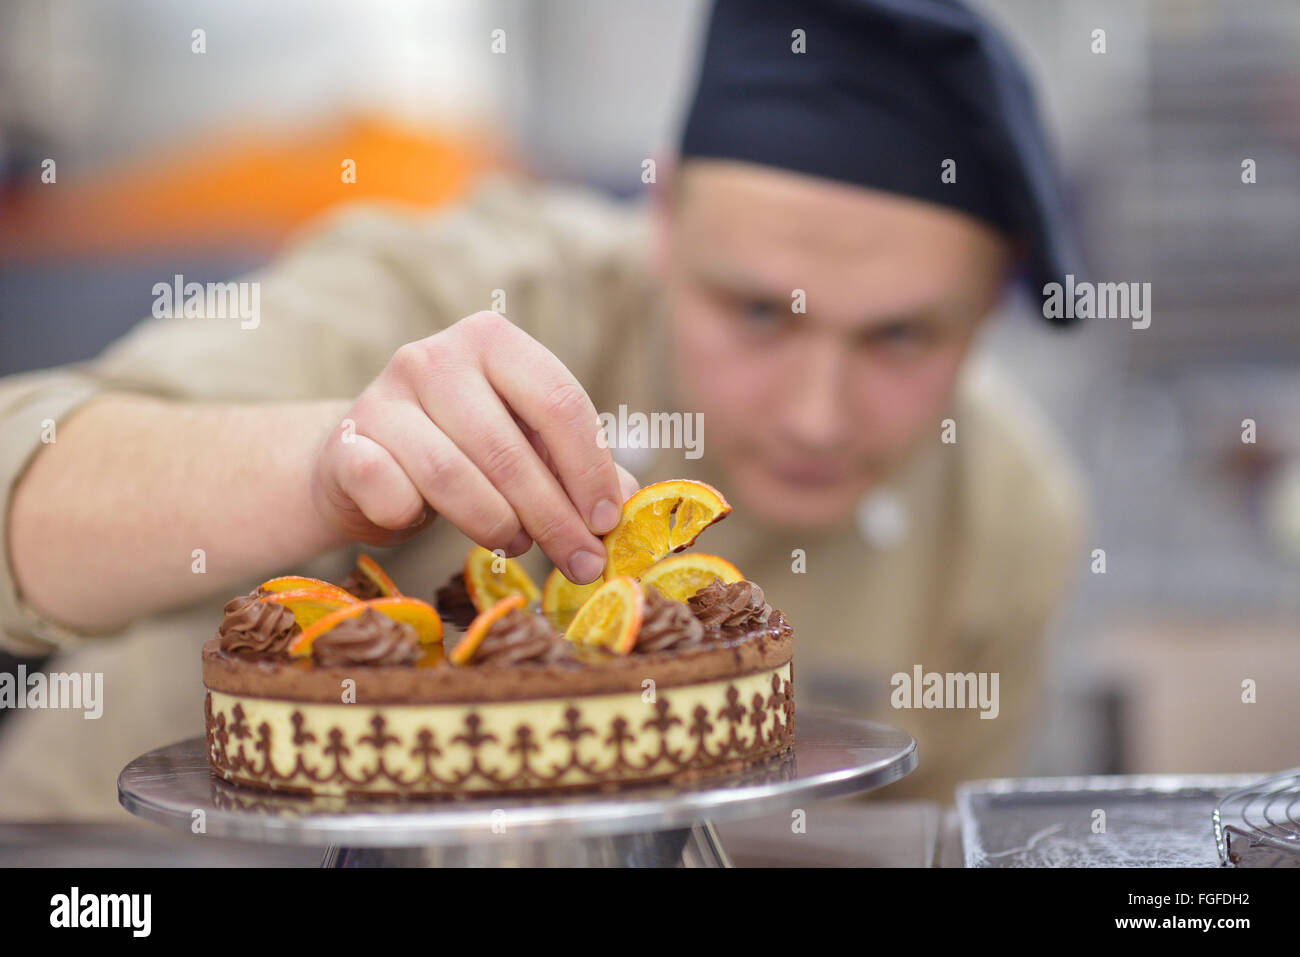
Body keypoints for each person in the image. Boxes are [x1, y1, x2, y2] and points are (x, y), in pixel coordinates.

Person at [0, 0, 1086, 818]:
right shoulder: (442, 290)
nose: (814, 414)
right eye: (756, 312)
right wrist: (322, 467)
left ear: (987, 311)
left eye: (900, 337)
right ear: (660, 215)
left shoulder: (1002, 516)